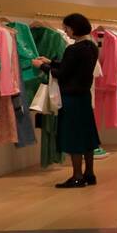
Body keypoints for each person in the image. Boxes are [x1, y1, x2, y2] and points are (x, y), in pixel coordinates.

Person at [32, 13, 101, 188]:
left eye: (67, 28)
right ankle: (89, 173)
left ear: (73, 28)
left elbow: (62, 74)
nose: (66, 31)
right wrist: (53, 62)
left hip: (71, 97)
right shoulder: (91, 46)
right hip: (84, 96)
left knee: (73, 136)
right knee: (87, 136)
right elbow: (71, 67)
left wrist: (43, 66)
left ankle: (77, 176)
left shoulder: (74, 49)